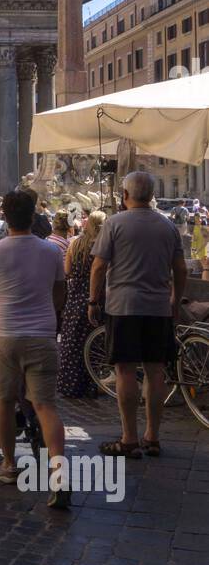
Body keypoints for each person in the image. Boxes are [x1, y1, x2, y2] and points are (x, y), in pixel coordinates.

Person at [0, 188, 69, 507]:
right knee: (45, 406)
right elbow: (59, 294)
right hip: (42, 335)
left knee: (4, 401)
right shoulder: (52, 251)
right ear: (33, 215)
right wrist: (48, 317)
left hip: (6, 333)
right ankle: (59, 475)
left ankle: (9, 465)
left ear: (5, 217)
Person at [89, 171, 188, 458]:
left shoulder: (114, 223)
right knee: (156, 371)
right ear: (152, 195)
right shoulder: (167, 226)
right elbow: (180, 269)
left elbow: (98, 267)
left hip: (123, 307)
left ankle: (129, 437)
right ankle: (152, 436)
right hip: (158, 307)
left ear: (125, 195)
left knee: (125, 370)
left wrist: (94, 300)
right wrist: (174, 300)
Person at [58, 210, 106, 398]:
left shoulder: (75, 244)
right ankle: (93, 385)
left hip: (75, 299)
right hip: (96, 299)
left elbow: (67, 271)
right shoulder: (102, 246)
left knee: (72, 344)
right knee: (94, 345)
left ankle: (70, 385)